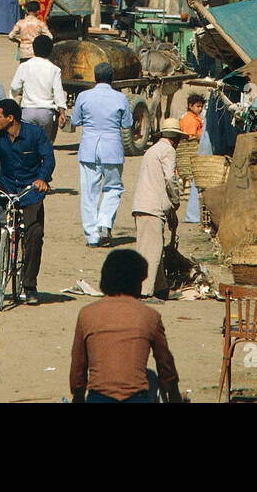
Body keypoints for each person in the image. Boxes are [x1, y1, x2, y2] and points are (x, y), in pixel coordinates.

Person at [69, 249, 181, 404]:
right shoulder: (149, 316)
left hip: (98, 397)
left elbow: (78, 367)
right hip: (137, 397)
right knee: (150, 376)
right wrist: (175, 397)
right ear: (137, 282)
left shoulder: (87, 314)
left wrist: (78, 396)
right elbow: (165, 365)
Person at [0, 99, 53, 304]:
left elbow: (49, 159)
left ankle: (29, 286)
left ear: (10, 118)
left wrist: (42, 179)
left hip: (31, 190)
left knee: (34, 233)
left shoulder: (35, 134)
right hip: (7, 184)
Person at [71, 62, 132, 247]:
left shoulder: (83, 96)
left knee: (90, 193)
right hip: (112, 147)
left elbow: (75, 120)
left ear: (95, 77)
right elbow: (127, 124)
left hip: (89, 148)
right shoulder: (120, 98)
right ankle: (105, 223)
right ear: (112, 77)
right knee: (114, 187)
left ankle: (92, 236)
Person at [133, 119, 185, 299]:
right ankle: (145, 292)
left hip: (142, 204)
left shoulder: (152, 150)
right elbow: (170, 178)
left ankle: (160, 288)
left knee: (150, 248)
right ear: (176, 138)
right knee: (152, 252)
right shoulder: (168, 150)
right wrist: (175, 200)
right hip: (152, 207)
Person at [10, 34, 67, 144]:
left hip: (27, 112)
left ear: (34, 49)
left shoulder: (24, 66)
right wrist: (62, 113)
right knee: (43, 145)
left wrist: (14, 96)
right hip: (46, 114)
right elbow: (58, 93)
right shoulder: (54, 69)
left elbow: (15, 87)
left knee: (26, 145)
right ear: (50, 51)